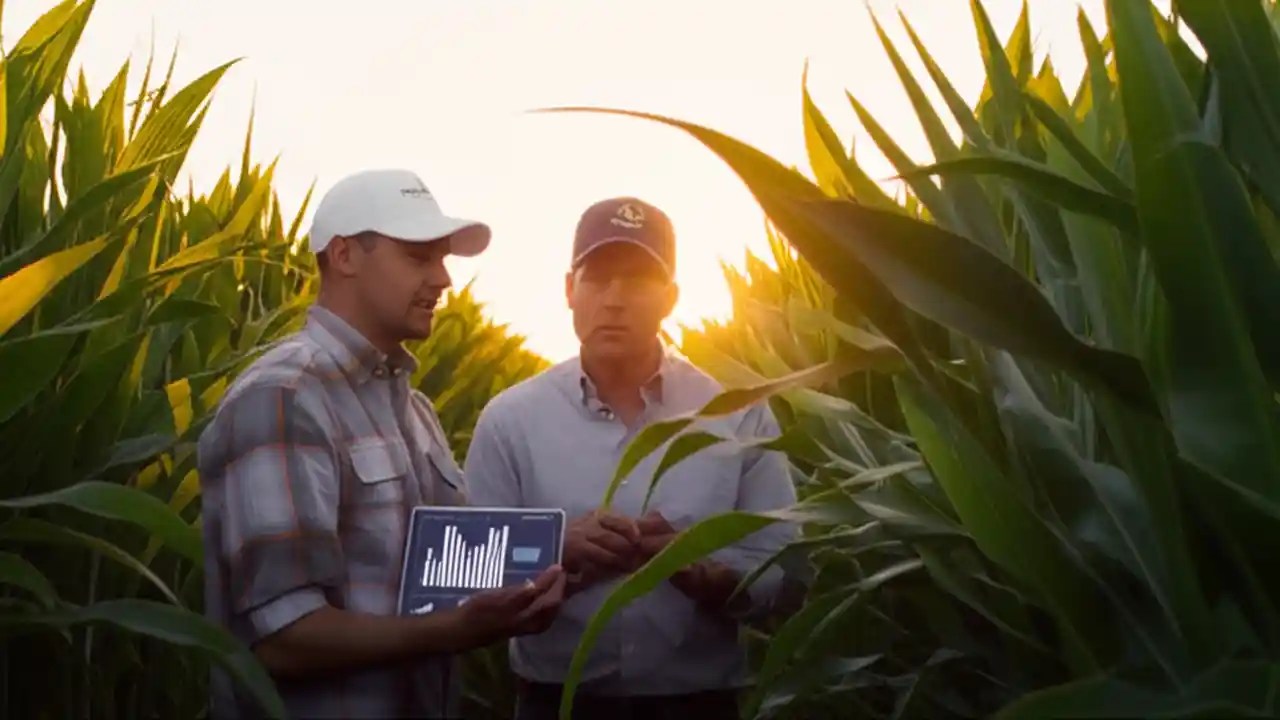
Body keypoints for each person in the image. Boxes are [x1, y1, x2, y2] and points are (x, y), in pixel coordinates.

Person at [196, 168, 566, 720]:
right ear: (344, 255)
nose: (444, 279)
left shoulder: (413, 411)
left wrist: (562, 549)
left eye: (443, 259)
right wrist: (455, 631)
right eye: (419, 257)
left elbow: (446, 565)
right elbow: (284, 638)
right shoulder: (285, 397)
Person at [464, 197, 798, 720]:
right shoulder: (511, 421)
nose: (615, 299)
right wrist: (557, 549)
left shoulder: (737, 416)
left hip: (700, 706)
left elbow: (786, 575)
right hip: (555, 704)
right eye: (597, 279)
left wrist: (701, 568)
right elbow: (470, 569)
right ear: (569, 291)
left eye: (639, 279)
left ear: (671, 298)